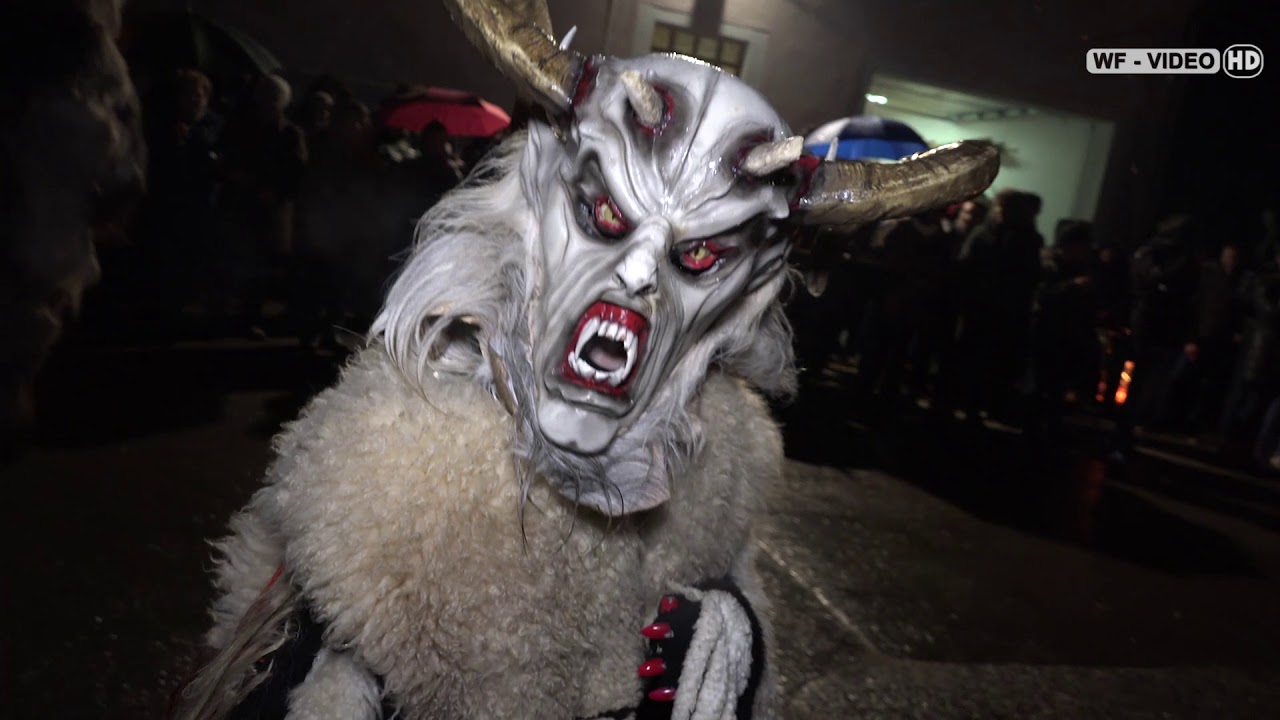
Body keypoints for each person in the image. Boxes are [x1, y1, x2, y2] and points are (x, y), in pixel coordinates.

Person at [175, 2, 998, 717]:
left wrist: (733, 652)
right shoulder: (369, 460)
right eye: (605, 211)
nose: (636, 277)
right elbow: (253, 646)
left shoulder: (717, 479)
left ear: (747, 284)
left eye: (698, 257)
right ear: (536, 194)